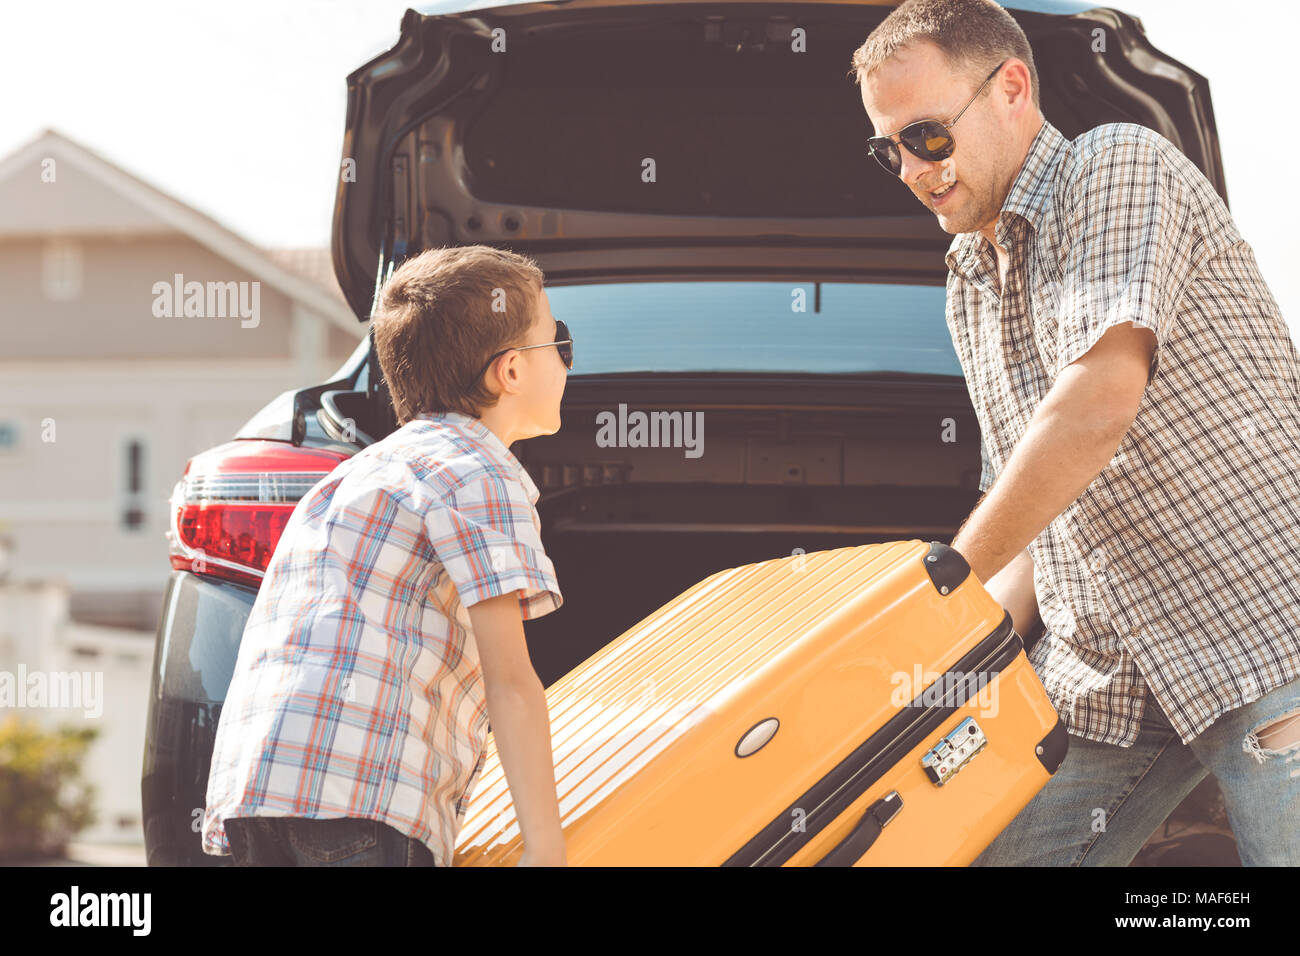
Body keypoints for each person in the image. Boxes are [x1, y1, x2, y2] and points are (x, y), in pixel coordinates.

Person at [852, 0, 1300, 865]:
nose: (910, 168)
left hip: (1266, 643)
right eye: (888, 149)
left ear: (1011, 87)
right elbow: (1029, 514)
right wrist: (930, 666)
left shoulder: (1114, 167)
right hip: (1112, 684)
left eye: (927, 136)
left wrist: (940, 583)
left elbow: (1095, 406)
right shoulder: (967, 283)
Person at [200, 244, 573, 866]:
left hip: (258, 788)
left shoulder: (350, 476)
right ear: (510, 370)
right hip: (364, 800)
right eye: (557, 343)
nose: (565, 361)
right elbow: (511, 684)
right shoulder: (481, 471)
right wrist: (547, 848)